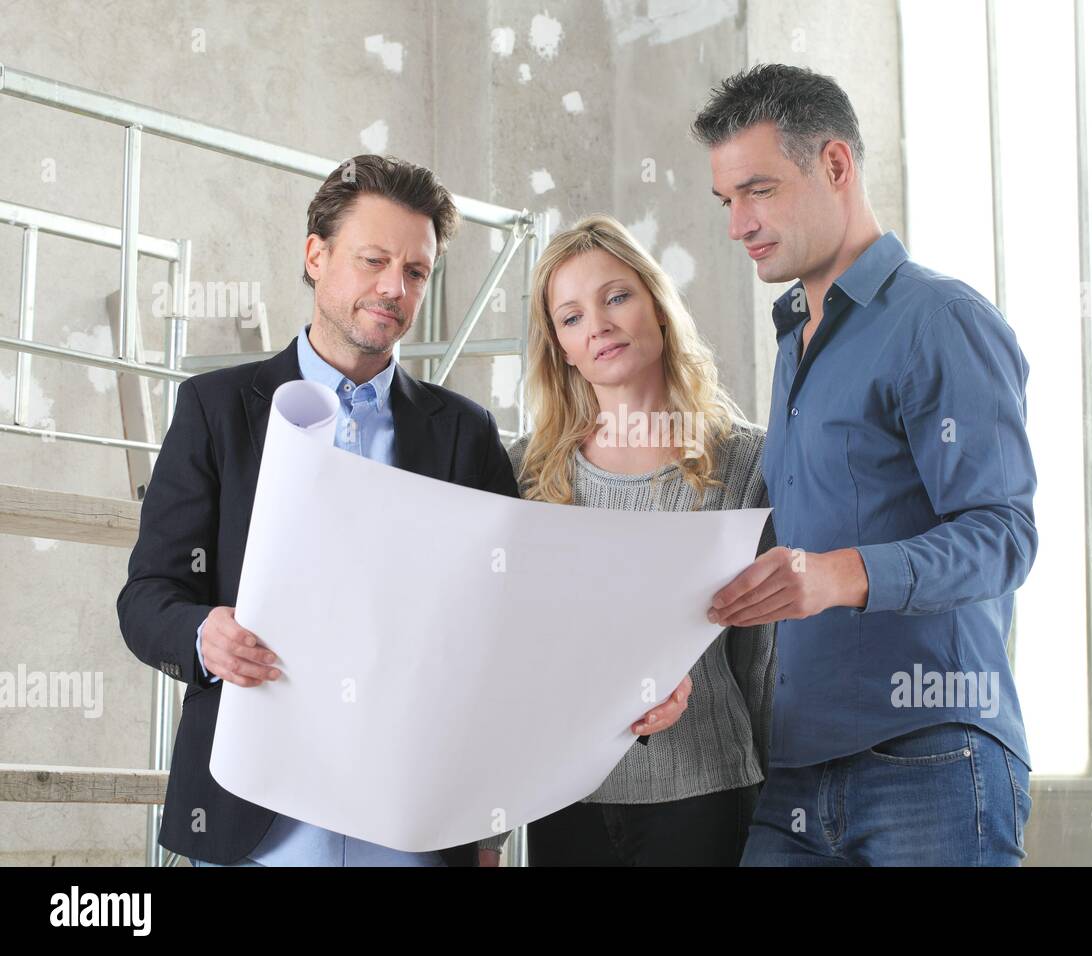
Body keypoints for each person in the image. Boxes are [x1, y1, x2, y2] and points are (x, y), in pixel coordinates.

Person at [118, 154, 521, 867]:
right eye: (373, 260)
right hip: (254, 823)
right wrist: (203, 635)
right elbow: (147, 597)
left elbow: (502, 626)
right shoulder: (215, 409)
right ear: (316, 254)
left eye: (416, 271)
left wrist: (486, 832)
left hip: (411, 823)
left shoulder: (465, 433)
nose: (394, 288)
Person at [694, 65, 1038, 866]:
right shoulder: (795, 337)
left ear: (837, 166)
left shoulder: (941, 320)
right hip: (799, 764)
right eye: (727, 202)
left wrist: (841, 574)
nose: (739, 223)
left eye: (759, 191)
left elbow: (1004, 536)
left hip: (932, 755)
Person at [501, 214, 775, 866]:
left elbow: (764, 663)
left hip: (706, 795)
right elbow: (508, 654)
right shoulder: (527, 471)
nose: (596, 325)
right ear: (560, 347)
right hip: (562, 797)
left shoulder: (748, 462)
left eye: (616, 297)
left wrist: (783, 813)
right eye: (570, 317)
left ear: (657, 304)